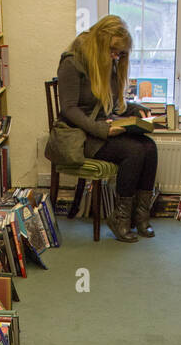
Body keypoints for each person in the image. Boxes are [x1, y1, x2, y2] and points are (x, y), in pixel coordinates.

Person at [55, 15, 158, 243]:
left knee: (150, 147)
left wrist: (135, 109)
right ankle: (120, 219)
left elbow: (111, 104)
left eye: (121, 54)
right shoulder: (71, 63)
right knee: (134, 151)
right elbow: (69, 110)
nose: (116, 57)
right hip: (82, 136)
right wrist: (101, 129)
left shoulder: (108, 62)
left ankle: (139, 217)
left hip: (103, 129)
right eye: (114, 51)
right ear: (100, 43)